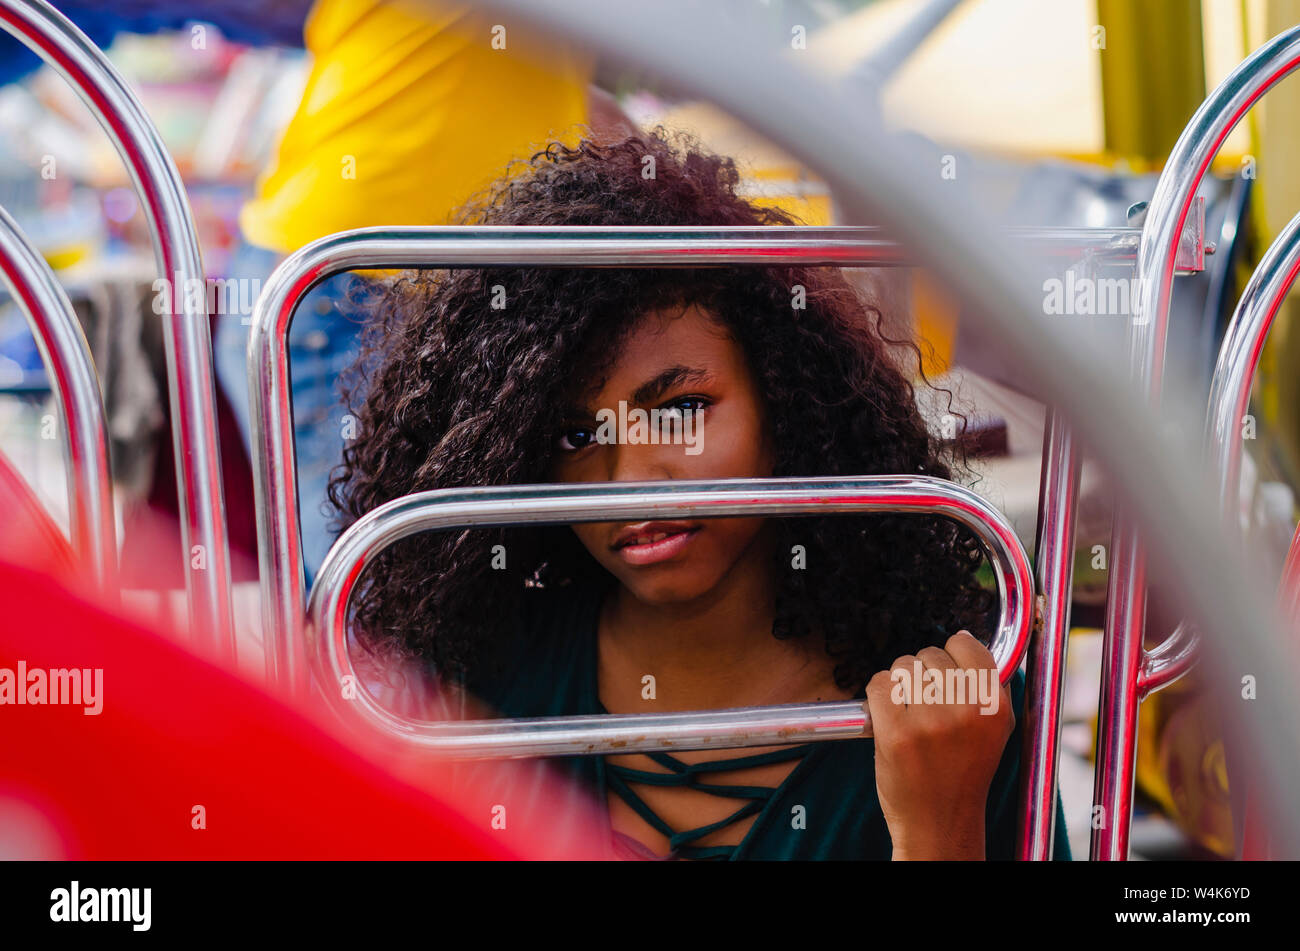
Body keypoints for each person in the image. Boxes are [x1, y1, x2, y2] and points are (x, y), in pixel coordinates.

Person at [328, 131, 1072, 861]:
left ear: (786, 399)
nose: (630, 481)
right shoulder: (473, 686)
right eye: (574, 436)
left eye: (681, 409)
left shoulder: (954, 708)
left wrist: (938, 831)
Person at [214, 0, 625, 585]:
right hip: (344, 290)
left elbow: (570, 104)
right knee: (381, 604)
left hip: (387, 284)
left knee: (406, 600)